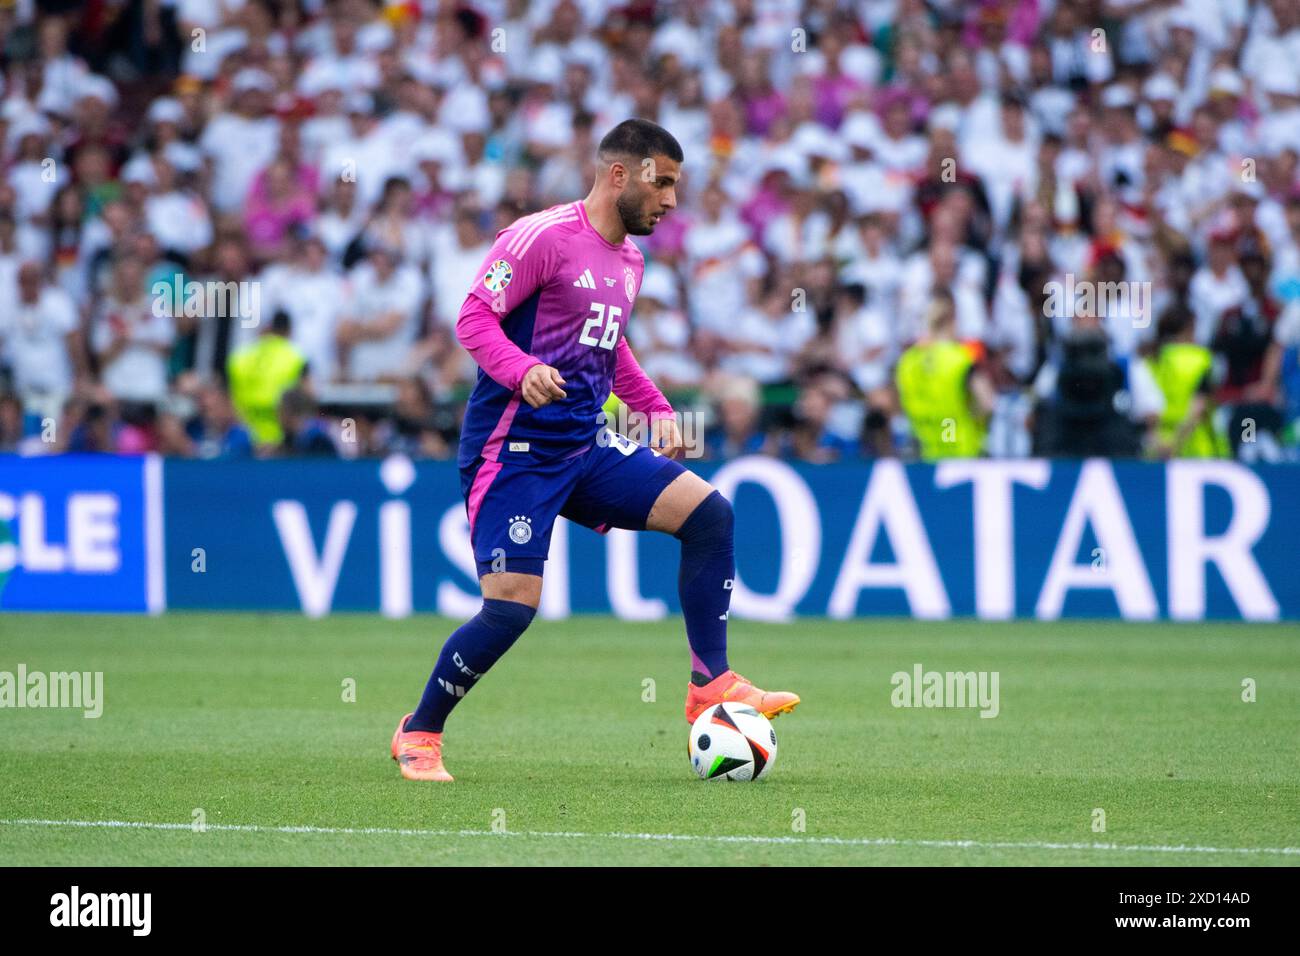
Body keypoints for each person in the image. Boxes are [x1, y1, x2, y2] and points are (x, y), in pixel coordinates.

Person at [391, 119, 800, 782]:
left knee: (710, 515)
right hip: (514, 450)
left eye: (675, 185)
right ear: (619, 175)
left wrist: (656, 410)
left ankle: (710, 682)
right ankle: (420, 732)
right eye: (660, 182)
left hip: (583, 442)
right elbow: (472, 318)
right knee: (510, 609)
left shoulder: (631, 261)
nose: (670, 200)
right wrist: (521, 368)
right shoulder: (541, 237)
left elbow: (610, 349)